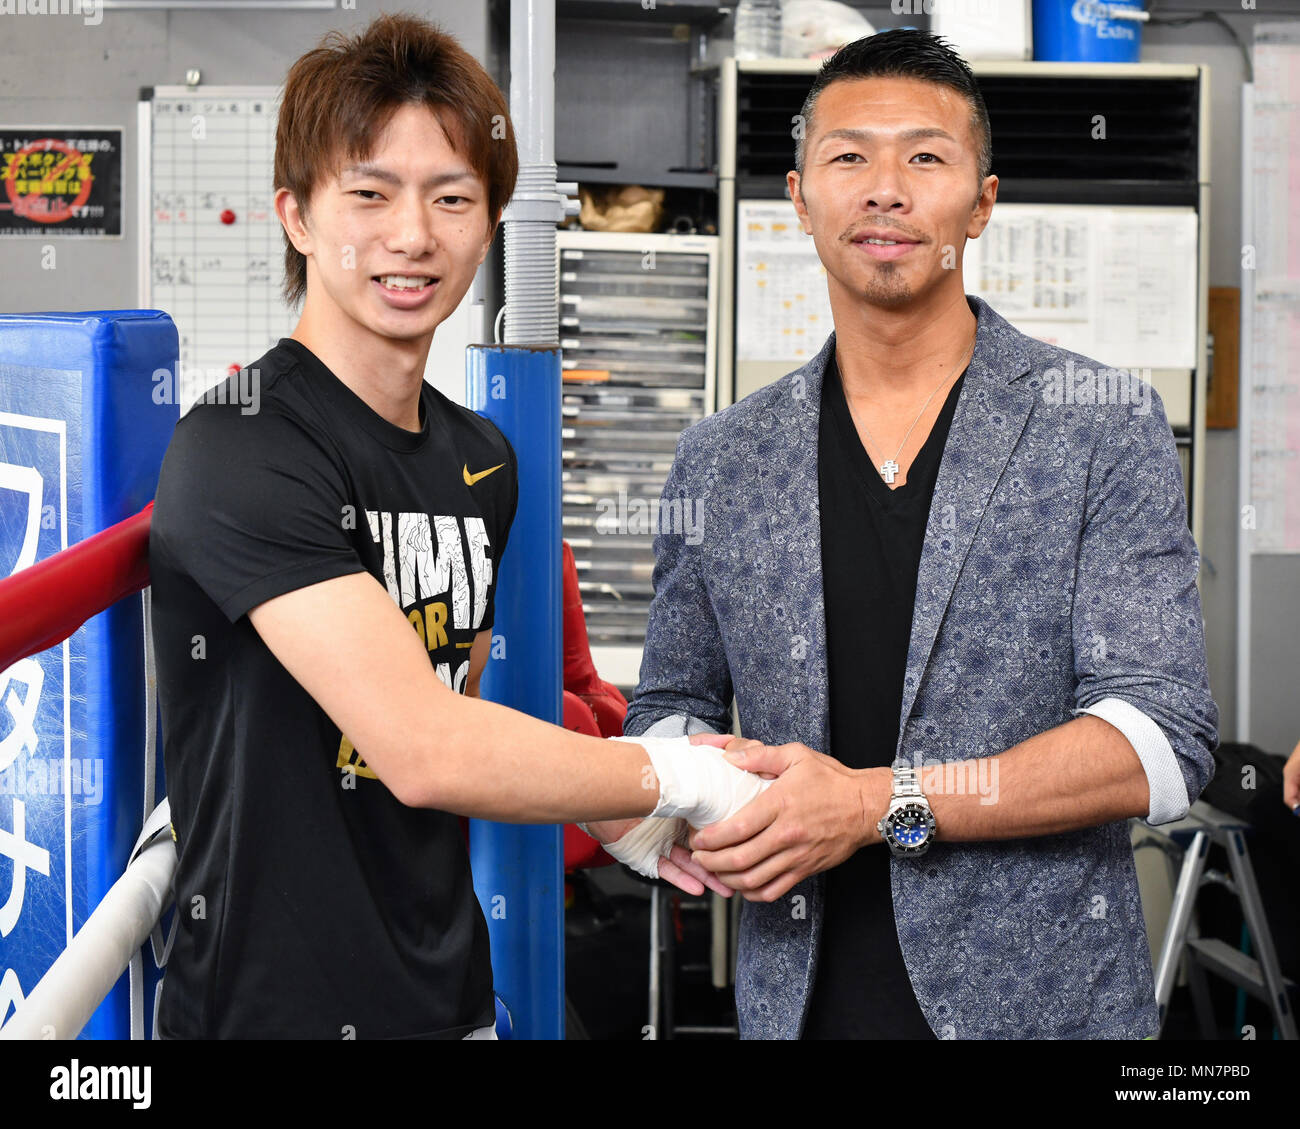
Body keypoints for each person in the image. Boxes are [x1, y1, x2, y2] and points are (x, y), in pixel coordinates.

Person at [148, 13, 763, 1040]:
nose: (411, 235)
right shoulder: (241, 446)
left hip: (445, 998)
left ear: (489, 223)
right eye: (369, 193)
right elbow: (422, 748)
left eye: (451, 198)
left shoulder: (479, 459)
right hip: (270, 1010)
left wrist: (617, 810)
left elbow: (456, 704)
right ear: (297, 217)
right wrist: (684, 776)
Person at [620, 28, 1220, 1039]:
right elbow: (670, 704)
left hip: (1043, 1011)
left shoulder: (1097, 426)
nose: (885, 189)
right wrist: (671, 791)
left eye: (924, 156)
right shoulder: (720, 460)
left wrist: (873, 804)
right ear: (799, 196)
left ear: (981, 201)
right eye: (848, 156)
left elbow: (1157, 744)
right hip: (796, 1004)